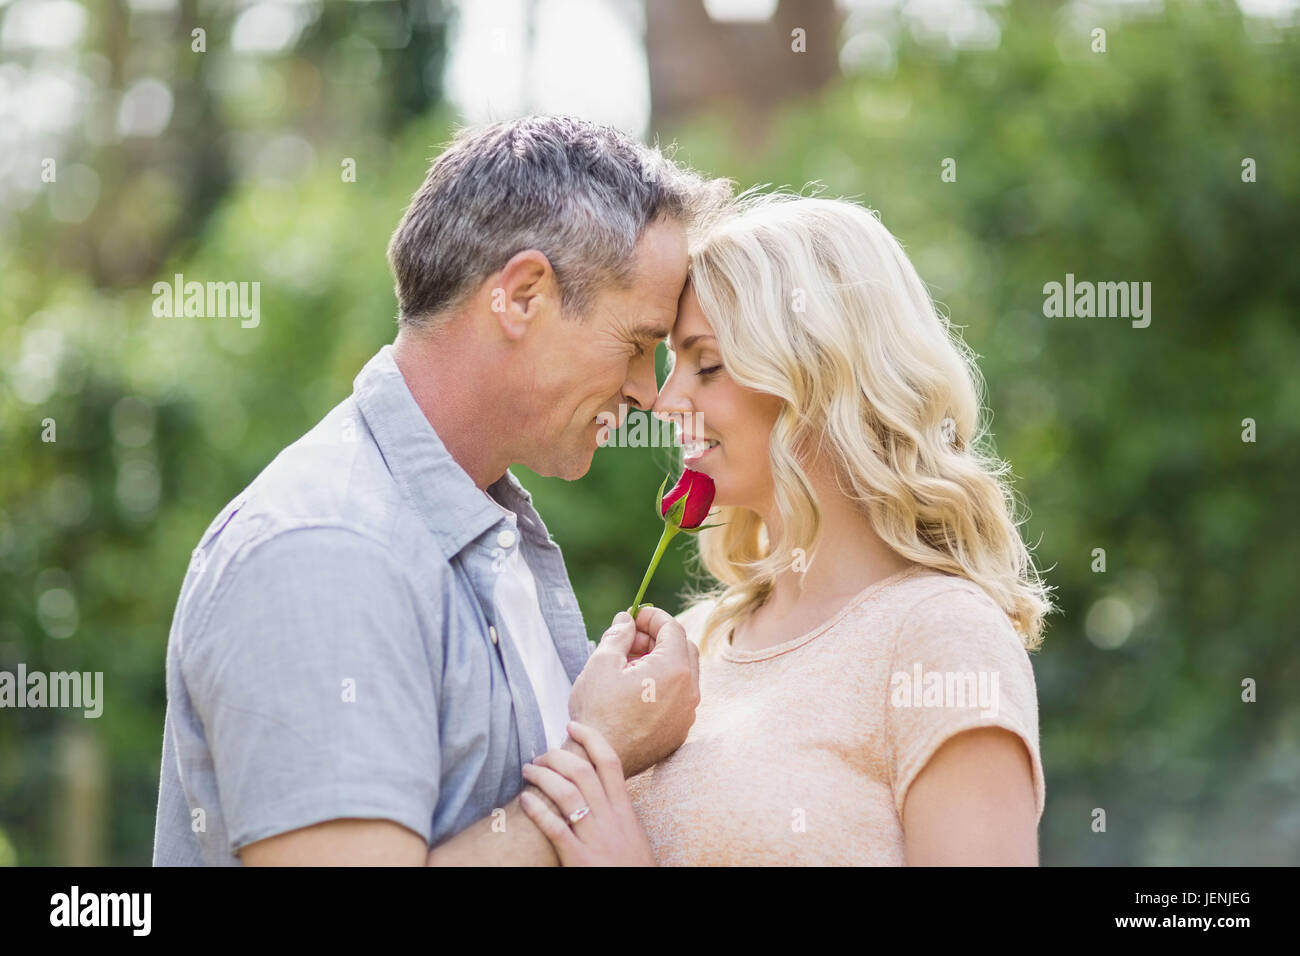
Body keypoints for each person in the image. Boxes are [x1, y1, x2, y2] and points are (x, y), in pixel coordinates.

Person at [151, 115, 730, 866]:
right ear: (523, 295)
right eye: (637, 344)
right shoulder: (327, 550)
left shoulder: (479, 528)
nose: (646, 393)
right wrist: (602, 756)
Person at [517, 191, 1054, 865]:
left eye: (705, 363)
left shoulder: (940, 636)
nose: (666, 400)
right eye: (670, 366)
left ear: (820, 376)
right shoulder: (699, 643)